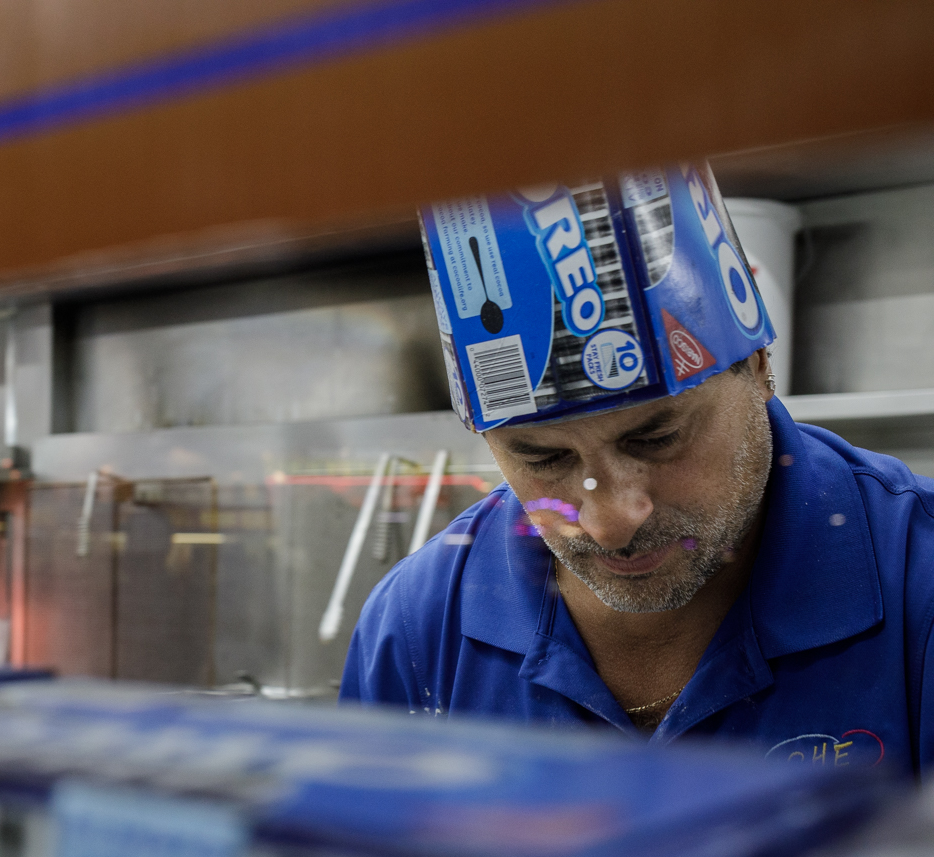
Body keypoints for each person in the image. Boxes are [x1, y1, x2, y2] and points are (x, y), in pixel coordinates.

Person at [342, 168, 934, 775]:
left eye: (657, 438)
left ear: (757, 365)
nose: (608, 522)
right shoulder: (417, 626)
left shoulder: (919, 579)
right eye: (542, 458)